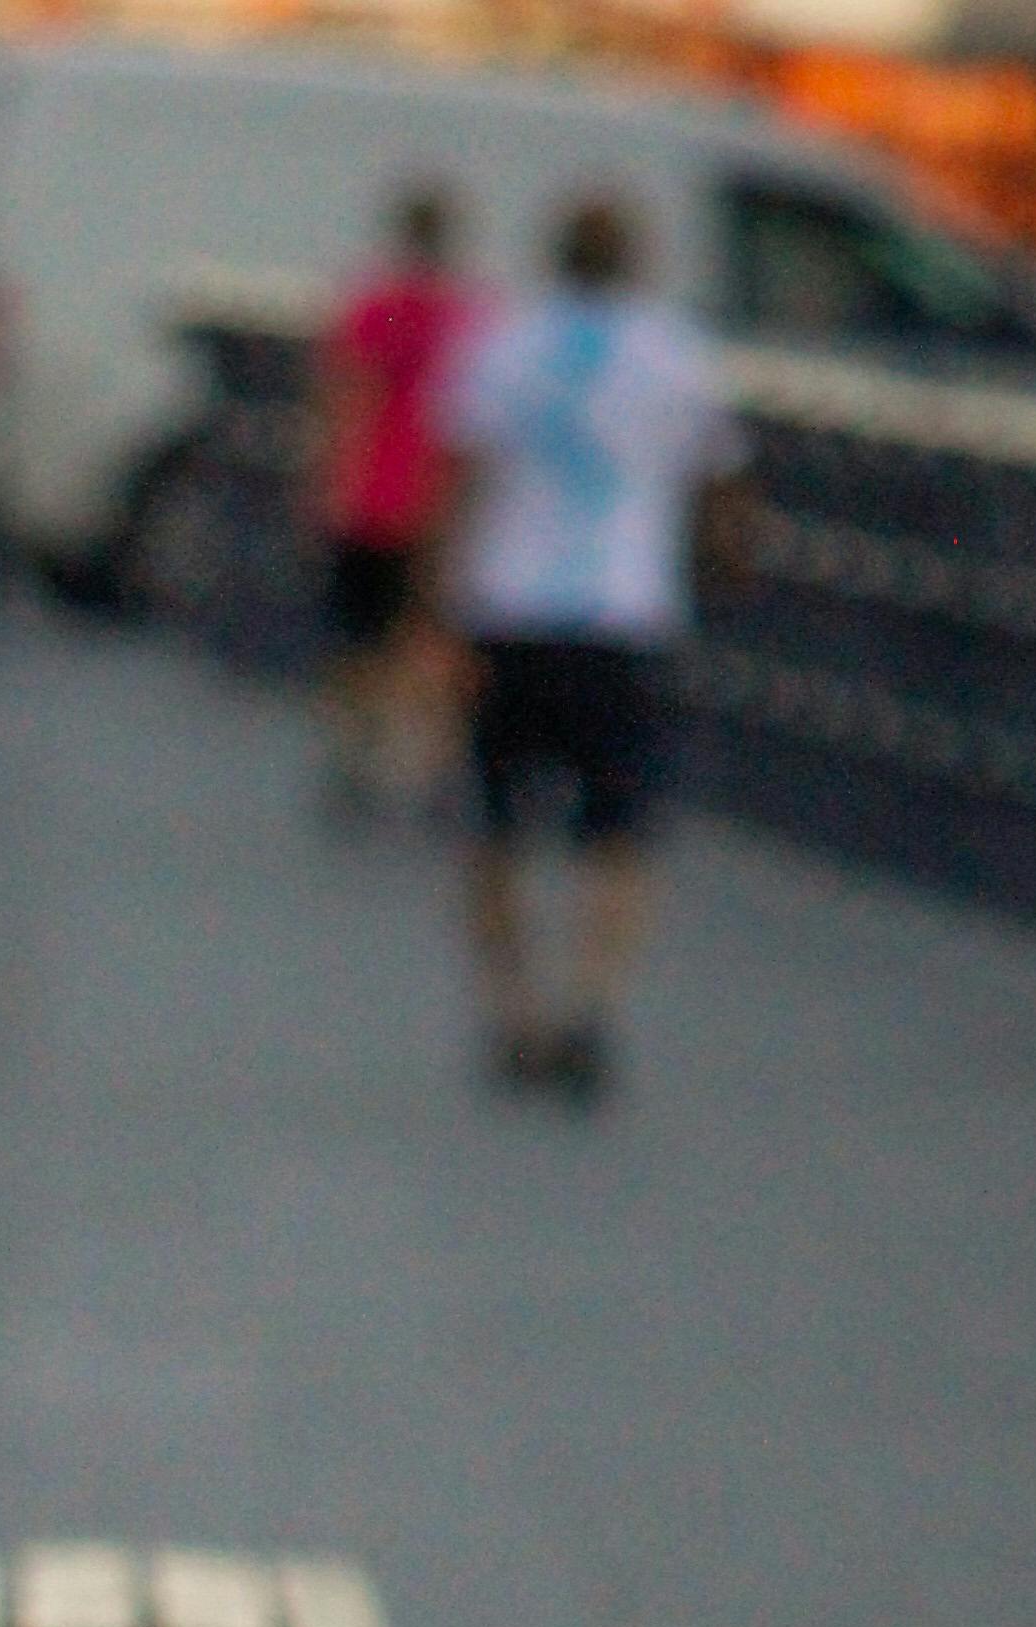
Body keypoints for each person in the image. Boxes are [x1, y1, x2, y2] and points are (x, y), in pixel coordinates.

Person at [433, 191, 750, 1101]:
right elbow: (723, 481)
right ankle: (592, 1004)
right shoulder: (674, 353)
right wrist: (721, 572)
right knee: (619, 833)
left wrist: (439, 609)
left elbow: (458, 481)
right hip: (623, 618)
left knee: (494, 827)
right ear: (638, 260)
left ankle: (511, 1012)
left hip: (509, 611)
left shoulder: (503, 346)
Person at [310, 187, 477, 811]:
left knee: (359, 633)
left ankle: (356, 752)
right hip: (441, 499)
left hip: (373, 492)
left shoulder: (378, 307)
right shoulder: (469, 315)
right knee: (435, 635)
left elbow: (345, 395)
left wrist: (328, 480)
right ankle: (438, 762)